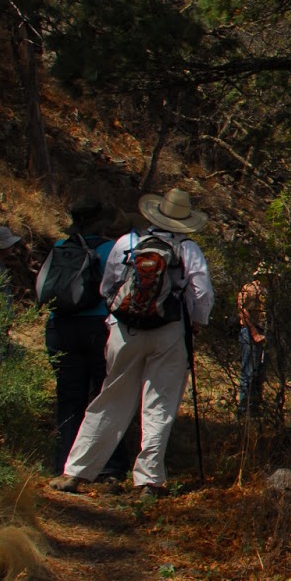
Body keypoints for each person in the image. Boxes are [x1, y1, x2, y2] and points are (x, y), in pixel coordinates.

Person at [50, 188, 215, 496]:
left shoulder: (128, 242)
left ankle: (76, 471)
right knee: (159, 403)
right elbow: (201, 292)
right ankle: (148, 480)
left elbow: (108, 286)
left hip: (124, 330)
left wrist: (121, 313)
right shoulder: (188, 249)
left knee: (110, 398)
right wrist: (196, 324)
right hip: (169, 330)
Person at [43, 200, 137, 478]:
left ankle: (63, 462)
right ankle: (110, 465)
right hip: (98, 327)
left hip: (60, 326)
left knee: (69, 397)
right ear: (101, 224)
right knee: (104, 396)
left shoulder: (60, 247)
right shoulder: (111, 249)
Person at [236, 264, 269, 418]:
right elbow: (243, 311)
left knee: (258, 372)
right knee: (248, 372)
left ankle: (255, 408)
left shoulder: (266, 291)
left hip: (263, 333)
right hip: (249, 332)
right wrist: (254, 333)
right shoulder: (249, 289)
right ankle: (243, 410)